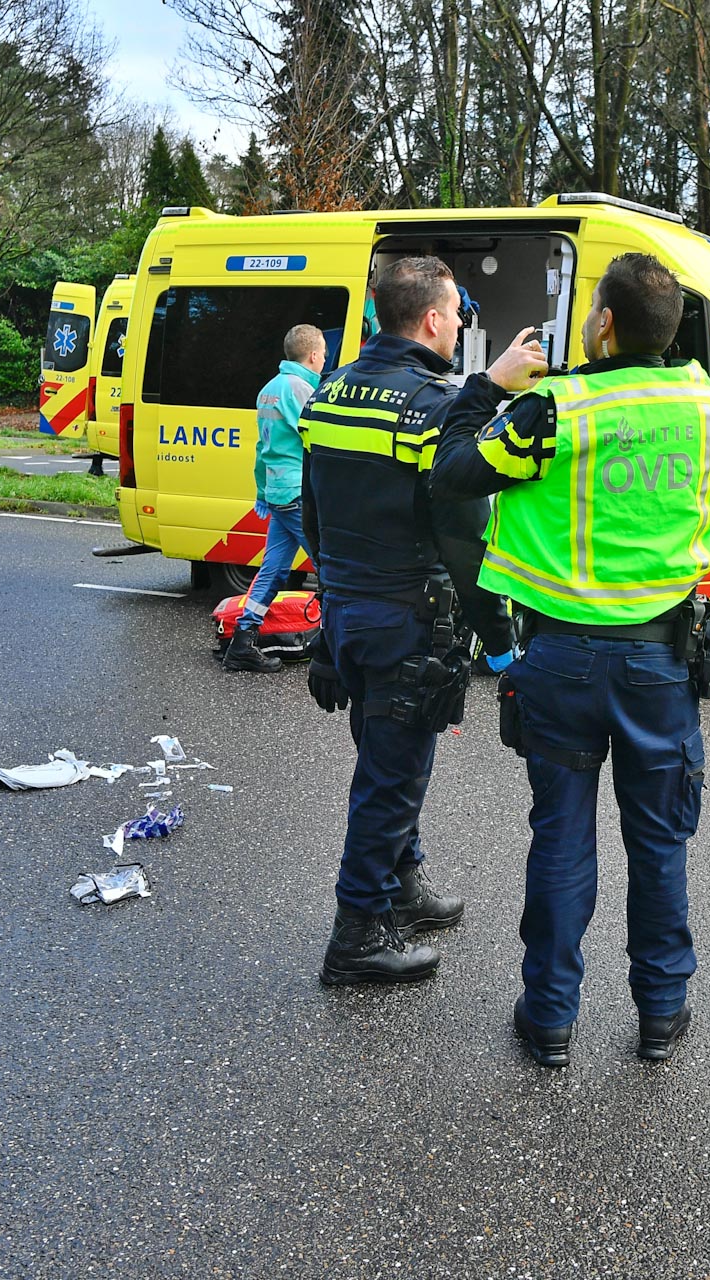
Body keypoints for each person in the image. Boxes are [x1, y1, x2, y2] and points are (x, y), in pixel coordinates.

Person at [432, 252, 710, 1067]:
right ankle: (661, 1018)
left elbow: (453, 471)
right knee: (659, 847)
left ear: (603, 323)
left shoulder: (557, 408)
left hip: (561, 658)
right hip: (660, 664)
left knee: (562, 841)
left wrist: (490, 383)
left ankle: (552, 1019)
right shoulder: (707, 405)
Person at [298, 255, 533, 986]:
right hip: (407, 616)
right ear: (432, 319)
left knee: (383, 759)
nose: (462, 325)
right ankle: (358, 935)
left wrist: (324, 622)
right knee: (391, 778)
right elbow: (465, 542)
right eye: (458, 314)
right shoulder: (431, 405)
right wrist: (501, 647)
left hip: (348, 609)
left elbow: (312, 514)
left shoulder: (330, 390)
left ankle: (403, 884)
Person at [224, 324, 326, 673]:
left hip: (279, 492)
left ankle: (242, 640)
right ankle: (335, 647)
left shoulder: (269, 389)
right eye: (324, 353)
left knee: (274, 570)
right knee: (330, 565)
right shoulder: (299, 389)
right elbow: (316, 439)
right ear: (313, 355)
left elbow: (262, 448)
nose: (324, 359)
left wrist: (263, 491)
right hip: (298, 493)